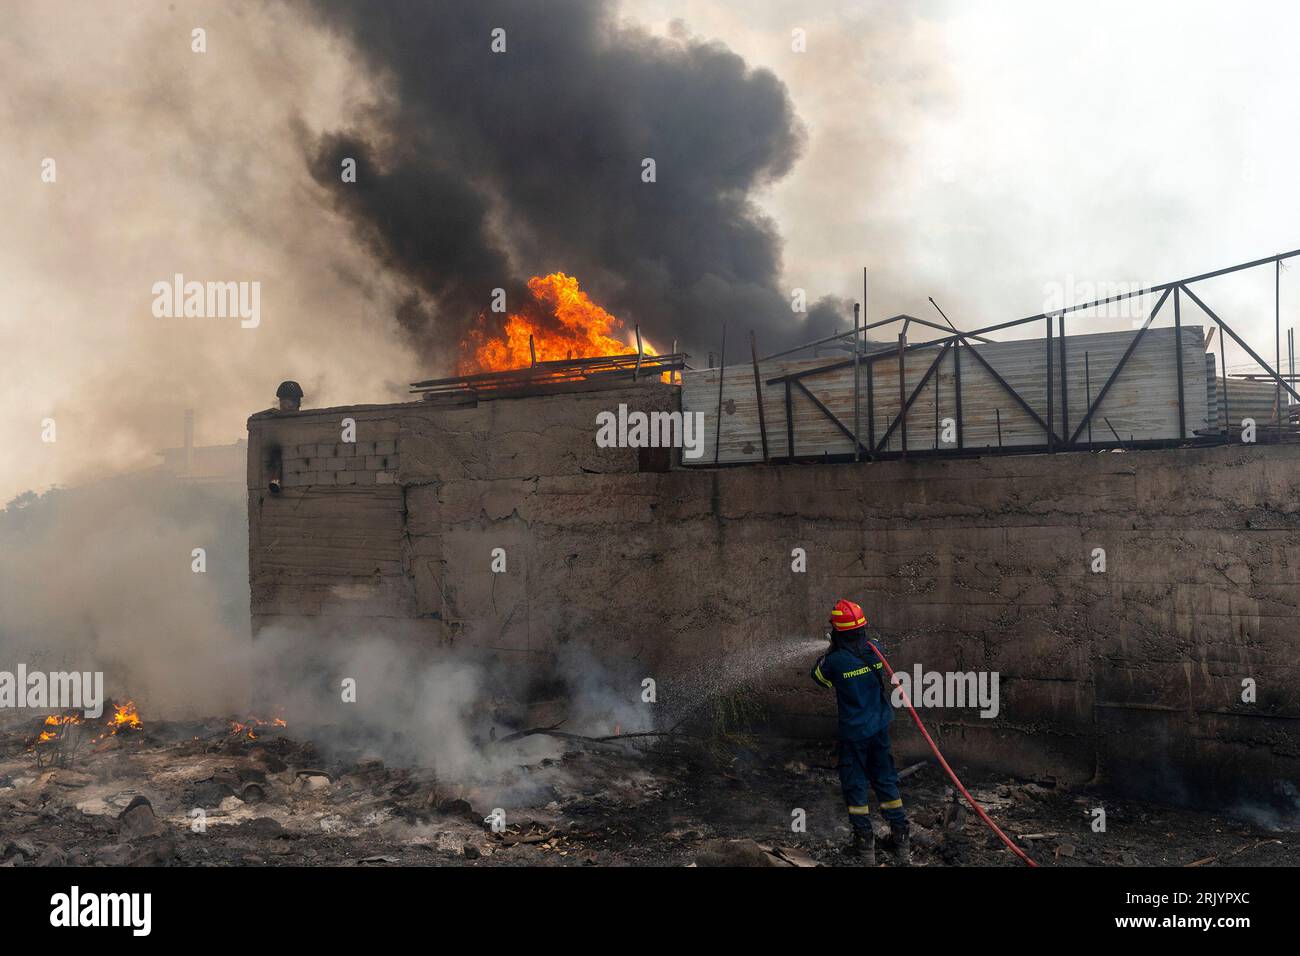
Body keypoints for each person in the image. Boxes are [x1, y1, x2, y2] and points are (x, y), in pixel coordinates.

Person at [810, 598, 909, 864]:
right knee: (885, 778)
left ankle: (865, 844)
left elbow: (818, 678)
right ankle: (901, 839)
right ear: (862, 627)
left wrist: (829, 652)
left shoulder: (836, 661)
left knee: (855, 784)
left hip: (855, 733)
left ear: (836, 631)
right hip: (879, 727)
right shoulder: (874, 649)